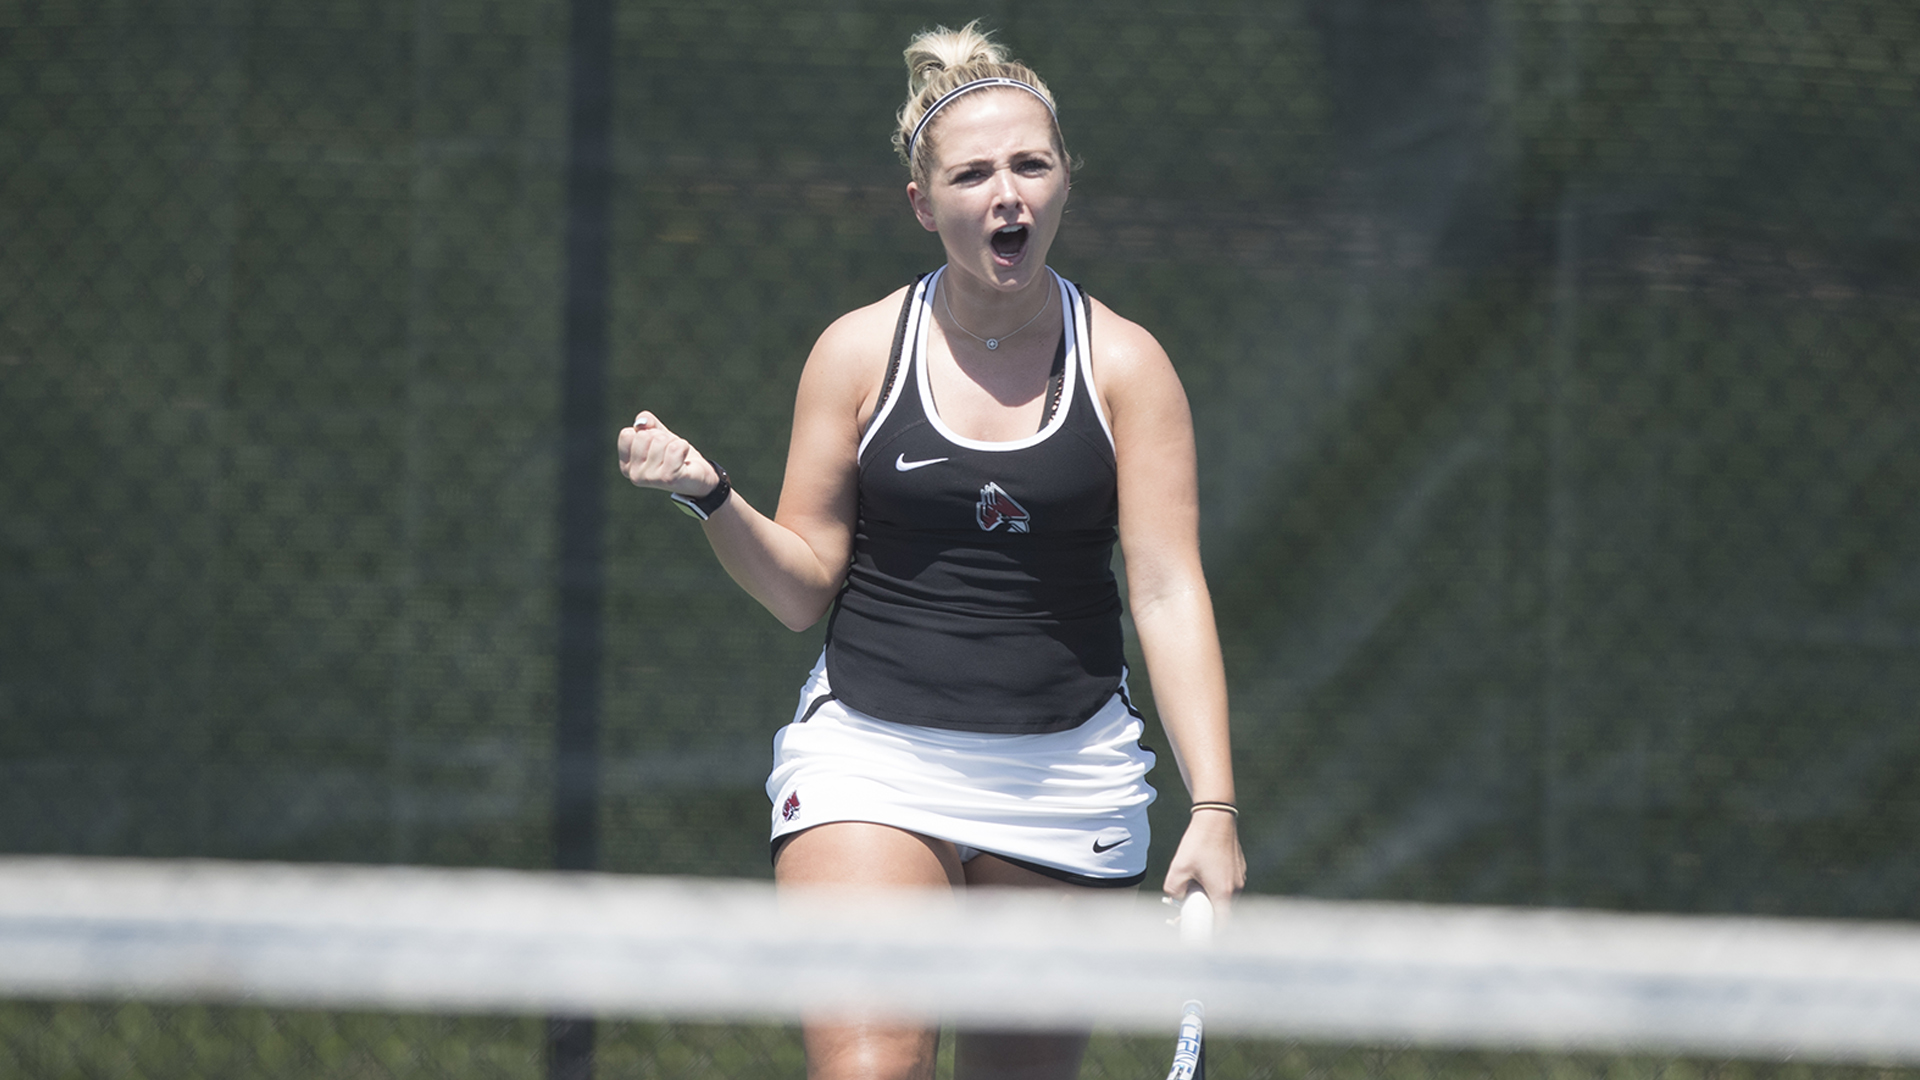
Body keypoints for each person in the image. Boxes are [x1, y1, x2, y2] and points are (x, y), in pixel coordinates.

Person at [617, 21, 1244, 1080]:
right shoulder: (858, 352)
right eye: (974, 173)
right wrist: (711, 495)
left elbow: (1167, 588)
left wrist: (1216, 809)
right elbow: (801, 587)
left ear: (1063, 186)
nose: (1009, 195)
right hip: (872, 759)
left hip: (1067, 781)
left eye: (1031, 166)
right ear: (925, 205)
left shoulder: (1130, 367)